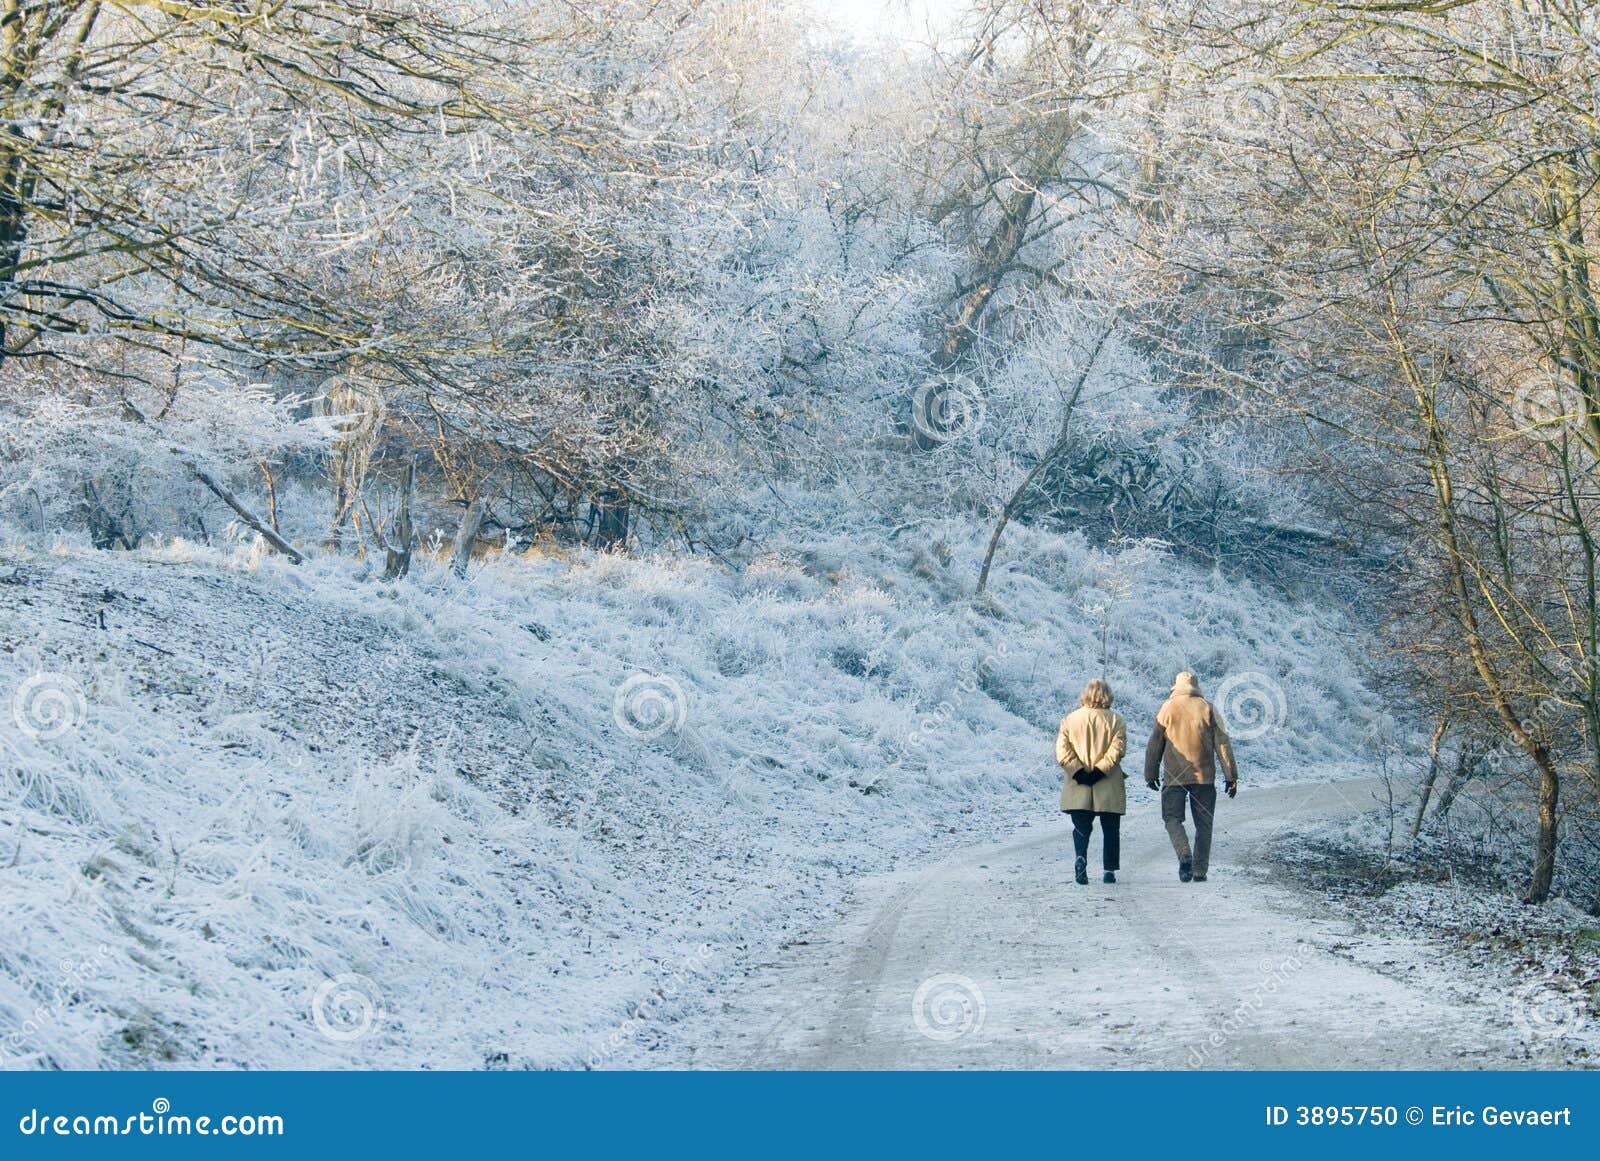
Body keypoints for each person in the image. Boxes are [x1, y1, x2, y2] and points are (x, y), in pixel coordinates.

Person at [1143, 671, 1239, 883]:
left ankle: (1183, 852)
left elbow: (1155, 743)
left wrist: (1150, 773)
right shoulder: (1208, 708)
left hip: (1174, 776)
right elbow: (1222, 743)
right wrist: (1231, 776)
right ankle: (1199, 870)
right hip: (1204, 777)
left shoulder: (1167, 707)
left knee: (1172, 818)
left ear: (1175, 687)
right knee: (1204, 824)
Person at [1056, 678, 1128, 885]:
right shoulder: (1116, 721)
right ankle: (1109, 871)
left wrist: (1078, 772)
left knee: (1081, 827)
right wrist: (1099, 771)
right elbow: (1117, 751)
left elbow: (1062, 751)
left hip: (1078, 785)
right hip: (1108, 784)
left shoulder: (1070, 720)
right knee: (1111, 829)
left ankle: (1081, 858)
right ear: (1108, 695)